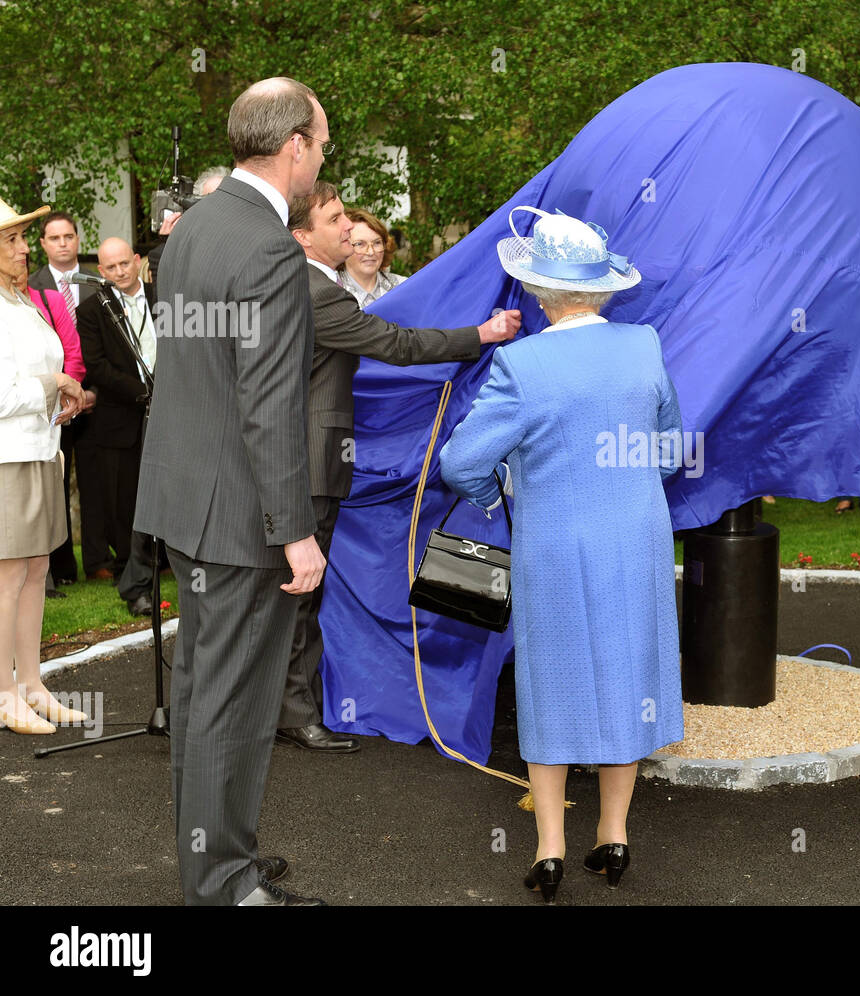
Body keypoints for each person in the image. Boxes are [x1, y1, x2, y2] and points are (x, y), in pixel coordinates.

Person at [440, 205, 685, 904]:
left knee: (551, 684)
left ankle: (549, 848)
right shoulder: (645, 346)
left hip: (554, 541)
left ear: (540, 293)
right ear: (603, 287)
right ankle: (613, 836)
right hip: (634, 536)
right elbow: (668, 448)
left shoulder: (522, 362)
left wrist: (506, 484)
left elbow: (462, 464)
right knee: (626, 675)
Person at [135, 76, 330, 907]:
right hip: (240, 518)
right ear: (293, 147)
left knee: (203, 699)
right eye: (321, 145)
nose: (322, 159)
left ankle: (217, 858)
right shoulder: (268, 248)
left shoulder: (197, 225)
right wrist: (295, 530)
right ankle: (223, 886)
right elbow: (268, 403)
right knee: (232, 711)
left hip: (186, 501)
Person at [275, 180, 519, 754]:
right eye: (334, 220)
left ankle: (291, 705)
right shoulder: (313, 291)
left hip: (314, 462)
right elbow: (394, 344)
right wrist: (478, 334)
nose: (347, 229)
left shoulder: (304, 283)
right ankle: (290, 711)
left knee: (296, 593)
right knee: (296, 594)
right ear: (300, 235)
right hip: (309, 465)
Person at [0, 195, 86, 734]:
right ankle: (4, 694)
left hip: (38, 452)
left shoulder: (25, 300)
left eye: (21, 237)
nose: (24, 247)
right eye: (11, 240)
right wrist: (51, 386)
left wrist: (64, 394)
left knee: (35, 571)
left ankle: (31, 684)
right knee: (8, 578)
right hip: (6, 460)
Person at [75, 238, 156, 616]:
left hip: (169, 413)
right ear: (101, 272)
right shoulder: (93, 309)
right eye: (111, 268)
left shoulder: (164, 299)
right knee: (125, 500)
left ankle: (162, 565)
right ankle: (131, 577)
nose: (121, 272)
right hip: (122, 417)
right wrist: (143, 393)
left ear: (137, 261)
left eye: (126, 263)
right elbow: (97, 365)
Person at [29, 211, 97, 585]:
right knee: (54, 483)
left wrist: (89, 391)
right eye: (53, 238)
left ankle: (99, 559)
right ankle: (60, 567)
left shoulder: (97, 282)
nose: (62, 244)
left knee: (95, 484)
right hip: (53, 404)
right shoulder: (33, 287)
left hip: (96, 398)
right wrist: (65, 390)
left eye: (68, 236)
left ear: (77, 238)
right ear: (43, 244)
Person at [338, 207, 407, 307]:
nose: (371, 252)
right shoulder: (332, 293)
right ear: (343, 247)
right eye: (360, 244)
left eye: (377, 243)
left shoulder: (402, 287)